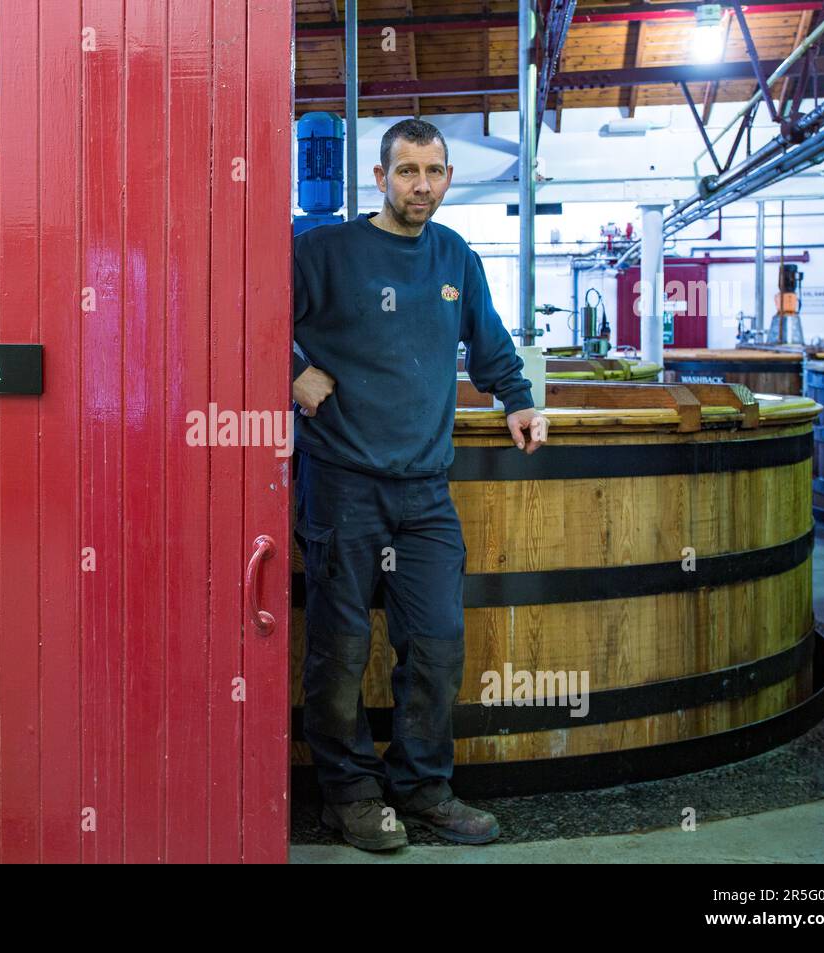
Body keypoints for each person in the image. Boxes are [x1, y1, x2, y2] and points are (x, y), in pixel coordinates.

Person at [292, 118, 548, 851]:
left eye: (434, 172)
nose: (422, 185)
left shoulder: (454, 255)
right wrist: (291, 372)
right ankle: (348, 794)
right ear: (380, 177)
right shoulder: (324, 252)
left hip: (426, 491)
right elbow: (242, 318)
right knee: (340, 648)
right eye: (407, 171)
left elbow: (489, 343)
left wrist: (518, 399)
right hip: (342, 485)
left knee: (437, 644)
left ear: (448, 178)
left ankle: (423, 788)